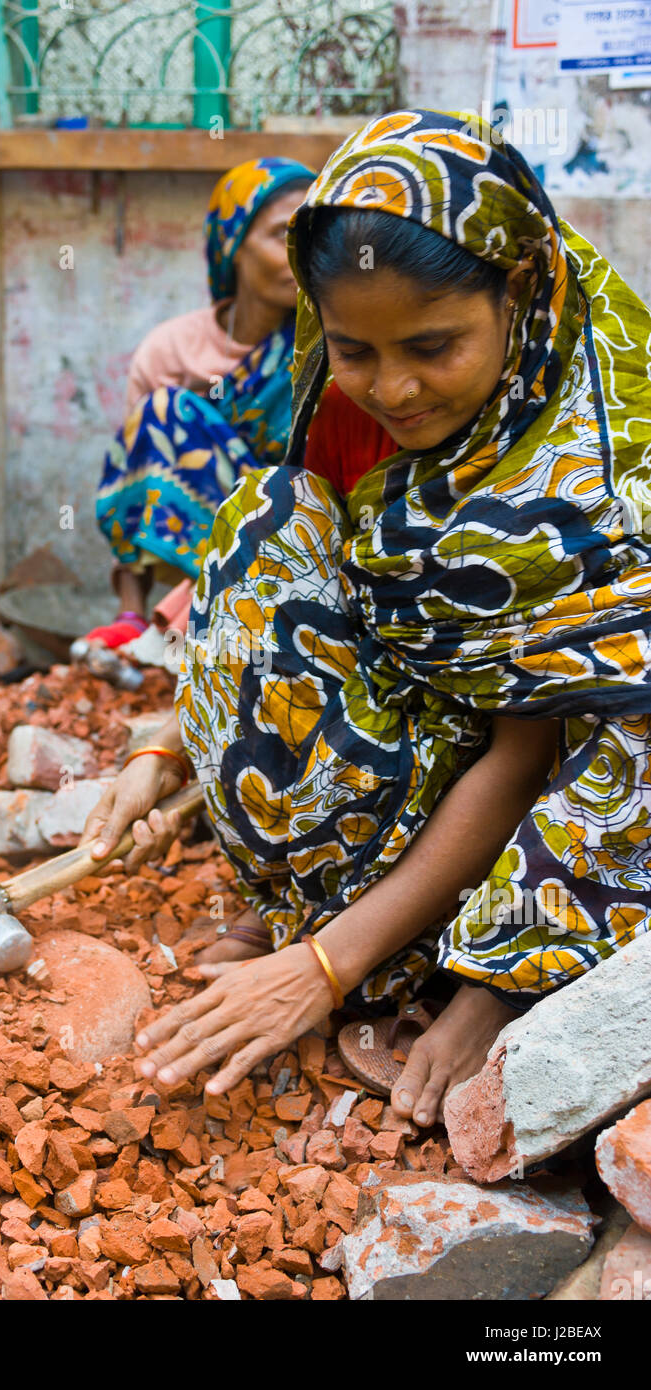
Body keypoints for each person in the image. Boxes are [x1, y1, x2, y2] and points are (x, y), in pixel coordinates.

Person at [82, 109, 651, 1131]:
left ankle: (495, 972)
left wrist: (322, 969)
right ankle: (353, 924)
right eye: (355, 349)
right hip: (427, 744)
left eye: (433, 347)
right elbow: (280, 614)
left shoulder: (593, 449)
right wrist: (164, 748)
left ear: (516, 288)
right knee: (262, 523)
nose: (392, 388)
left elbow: (527, 752)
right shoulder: (350, 412)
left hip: (555, 778)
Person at [89, 157, 315, 649]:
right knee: (165, 414)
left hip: (296, 547)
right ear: (232, 246)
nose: (302, 252)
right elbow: (136, 478)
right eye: (281, 235)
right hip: (197, 538)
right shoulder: (172, 350)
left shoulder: (330, 345)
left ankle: (198, 625)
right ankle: (140, 617)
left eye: (310, 233)